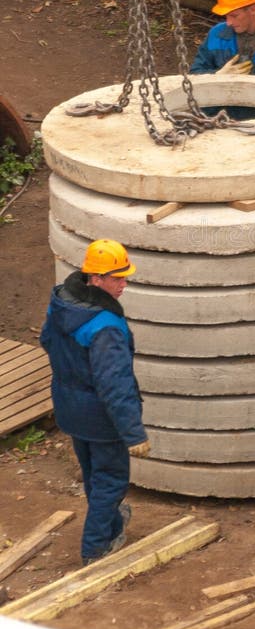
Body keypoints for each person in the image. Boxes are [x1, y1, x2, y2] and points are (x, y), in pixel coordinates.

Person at [40, 239, 150, 566]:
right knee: (111, 481)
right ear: (96, 278)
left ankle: (114, 524)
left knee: (93, 474)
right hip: (101, 418)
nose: (123, 284)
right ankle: (96, 549)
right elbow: (114, 384)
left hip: (69, 407)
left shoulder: (61, 302)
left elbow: (47, 340)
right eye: (117, 278)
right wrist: (133, 433)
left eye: (125, 276)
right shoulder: (105, 327)